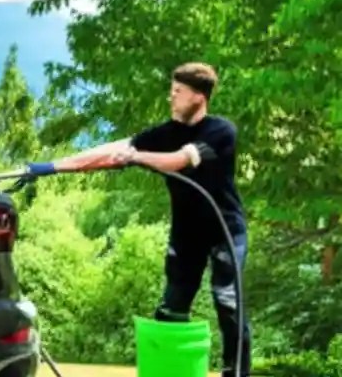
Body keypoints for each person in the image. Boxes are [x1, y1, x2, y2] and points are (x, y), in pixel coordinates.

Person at [28, 62, 251, 377]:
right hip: (187, 236)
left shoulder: (220, 131)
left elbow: (178, 161)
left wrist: (136, 157)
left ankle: (237, 373)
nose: (171, 98)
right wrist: (49, 167)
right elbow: (110, 152)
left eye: (178, 92)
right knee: (171, 309)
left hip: (225, 231)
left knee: (228, 301)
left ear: (199, 98)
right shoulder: (164, 133)